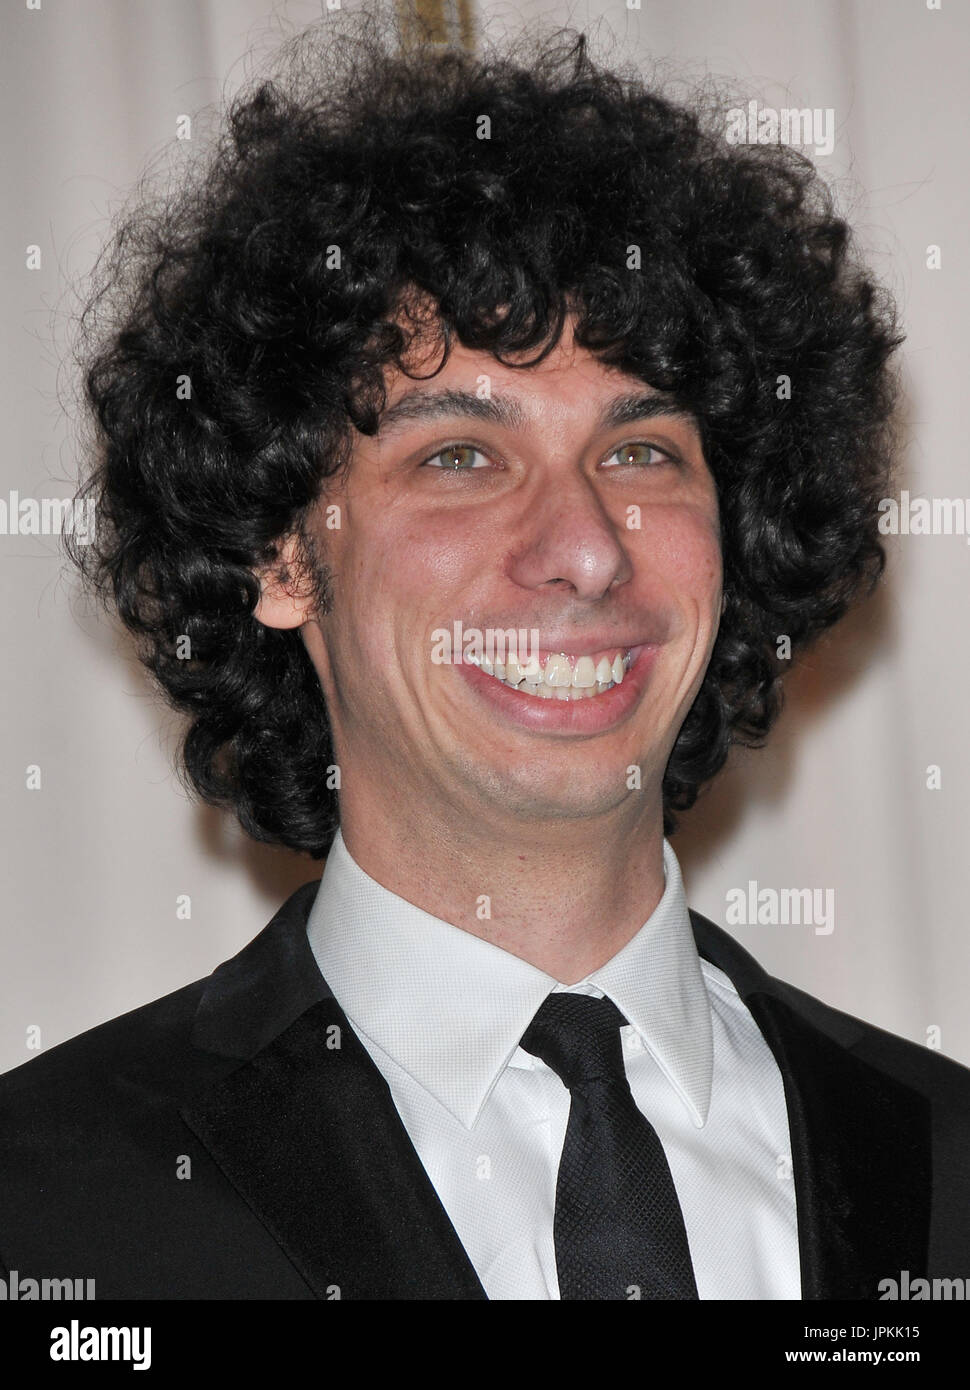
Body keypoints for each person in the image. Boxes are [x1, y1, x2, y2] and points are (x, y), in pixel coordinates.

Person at [2, 13, 968, 1302]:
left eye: (641, 452)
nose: (585, 548)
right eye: (461, 456)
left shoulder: (941, 1158)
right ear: (283, 556)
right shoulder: (46, 1208)